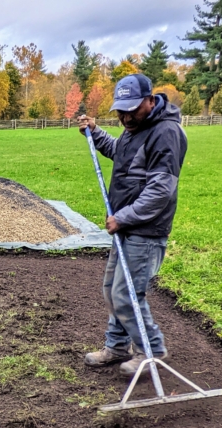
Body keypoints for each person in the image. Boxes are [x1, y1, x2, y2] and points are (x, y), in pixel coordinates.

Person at [77, 73, 187, 375]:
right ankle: (117, 346)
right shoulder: (135, 128)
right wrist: (97, 134)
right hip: (126, 228)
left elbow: (160, 191)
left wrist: (123, 217)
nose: (125, 116)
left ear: (150, 100)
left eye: (132, 109)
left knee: (126, 295)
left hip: (145, 230)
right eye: (121, 110)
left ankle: (151, 351)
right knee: (112, 289)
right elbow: (121, 155)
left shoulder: (165, 133)